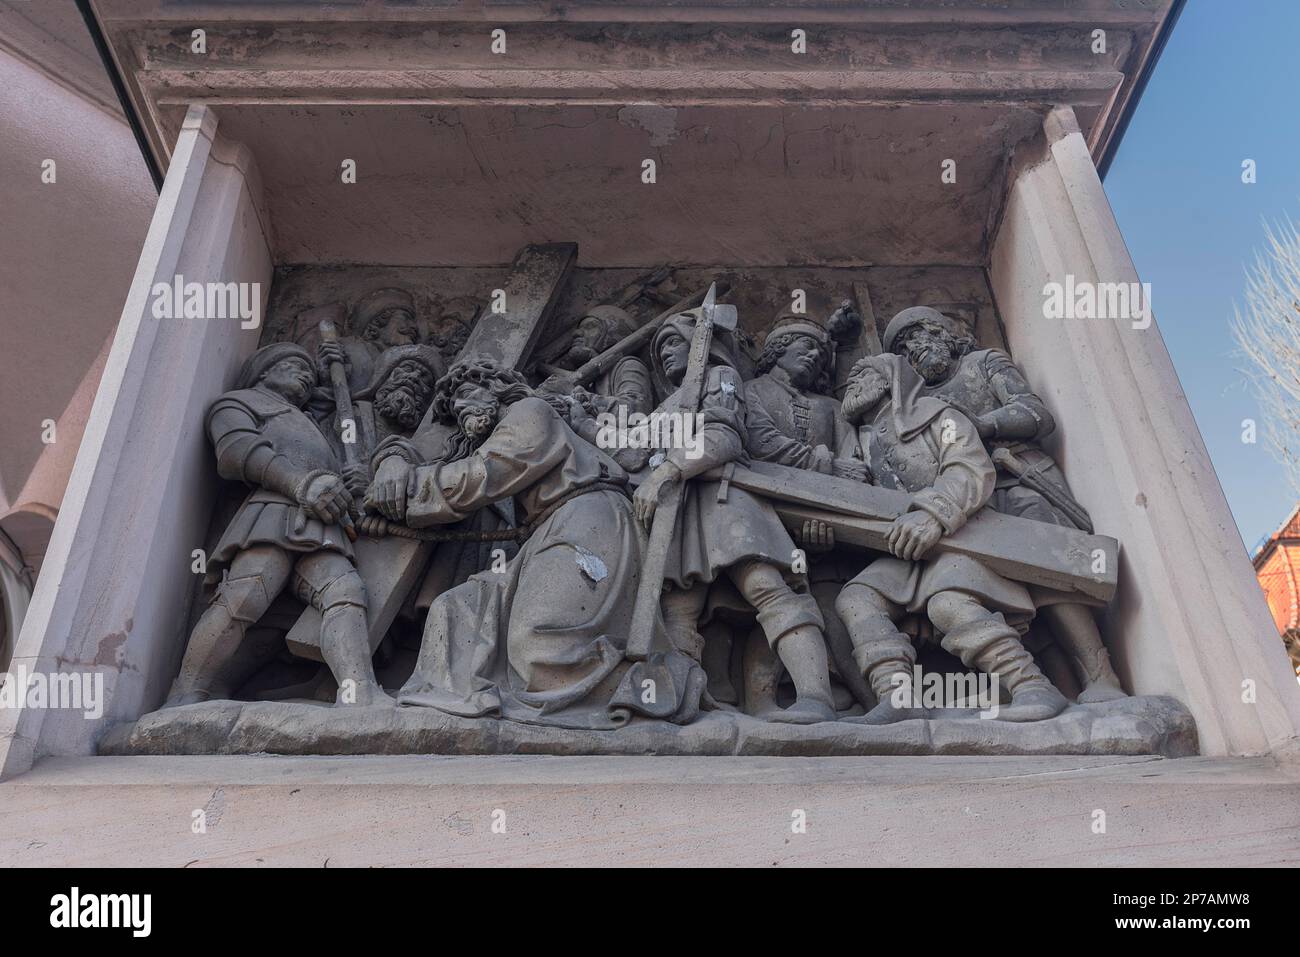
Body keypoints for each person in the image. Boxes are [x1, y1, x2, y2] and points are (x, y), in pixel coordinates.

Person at [365, 356, 706, 729]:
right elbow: (453, 466)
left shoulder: (531, 412)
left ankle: (663, 684)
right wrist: (390, 461)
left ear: (496, 388)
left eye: (465, 394)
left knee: (537, 647)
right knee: (455, 608)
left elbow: (482, 477)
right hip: (546, 533)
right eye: (454, 406)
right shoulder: (494, 435)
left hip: (588, 521)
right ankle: (459, 710)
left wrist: (406, 490)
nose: (461, 408)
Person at [882, 306, 1125, 702]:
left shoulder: (983, 363)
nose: (915, 352)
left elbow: (1035, 414)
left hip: (1021, 478)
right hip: (975, 503)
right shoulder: (919, 402)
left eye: (919, 338)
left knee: (1052, 573)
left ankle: (1101, 673)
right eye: (905, 351)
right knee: (1010, 592)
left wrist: (982, 427)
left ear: (943, 334)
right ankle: (1049, 687)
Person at [834, 353, 1069, 724]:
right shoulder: (855, 443)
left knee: (948, 602)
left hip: (964, 535)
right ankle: (898, 697)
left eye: (862, 374)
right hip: (905, 551)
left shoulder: (936, 414)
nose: (853, 382)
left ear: (889, 379)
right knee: (857, 597)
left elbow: (969, 466)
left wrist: (934, 514)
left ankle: (1032, 686)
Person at [631, 308, 838, 724]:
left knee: (769, 588)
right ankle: (679, 705)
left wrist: (669, 471)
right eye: (660, 347)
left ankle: (817, 697)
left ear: (700, 344)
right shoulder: (668, 405)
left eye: (674, 341)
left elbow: (723, 436)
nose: (666, 353)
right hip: (681, 512)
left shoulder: (720, 379)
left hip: (725, 498)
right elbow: (634, 452)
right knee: (678, 611)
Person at [166, 343, 384, 707]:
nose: (305, 375)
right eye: (295, 365)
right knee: (245, 595)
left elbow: (339, 406)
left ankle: (360, 695)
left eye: (311, 373)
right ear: (266, 371)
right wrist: (302, 484)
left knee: (345, 592)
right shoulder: (240, 403)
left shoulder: (308, 421)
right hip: (273, 510)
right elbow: (236, 452)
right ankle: (186, 692)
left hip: (322, 522)